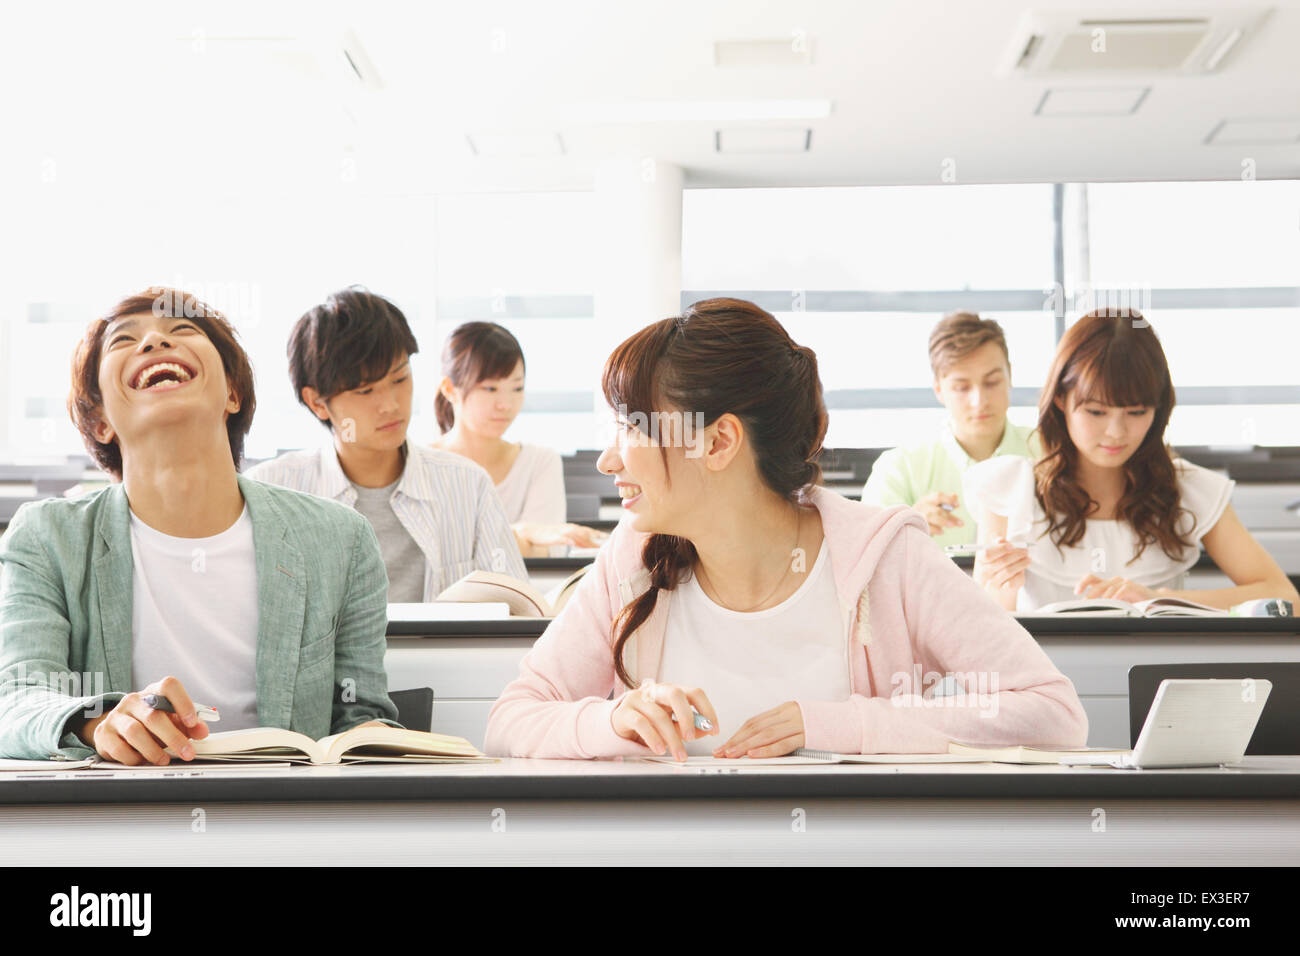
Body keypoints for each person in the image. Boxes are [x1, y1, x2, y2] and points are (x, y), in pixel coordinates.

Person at [484, 298, 1087, 761]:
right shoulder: (632, 561)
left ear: (718, 441)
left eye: (635, 430)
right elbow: (509, 722)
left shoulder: (886, 557)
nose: (609, 460)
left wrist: (843, 725)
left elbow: (1052, 714)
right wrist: (611, 722)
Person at [0, 288, 398, 764]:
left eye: (182, 330)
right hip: (120, 824)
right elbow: (16, 702)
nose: (152, 343)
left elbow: (360, 716)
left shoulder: (341, 539)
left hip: (287, 821)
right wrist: (96, 724)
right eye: (124, 340)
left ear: (232, 392)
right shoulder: (47, 538)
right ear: (100, 419)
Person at [966, 309, 1300, 612]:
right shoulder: (1010, 489)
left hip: (1161, 676)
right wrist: (997, 589)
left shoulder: (1188, 489)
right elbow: (988, 632)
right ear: (1059, 400)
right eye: (1096, 411)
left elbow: (1285, 599)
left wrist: (1159, 599)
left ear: (1158, 411)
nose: (1116, 432)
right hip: (1044, 675)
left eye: (1136, 412)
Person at [246, 289, 526, 600]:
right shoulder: (272, 493)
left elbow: (517, 612)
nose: (390, 405)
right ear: (317, 402)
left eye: (399, 379)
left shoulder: (468, 486)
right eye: (366, 391)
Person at [862, 312, 1038, 546]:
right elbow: (865, 558)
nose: (979, 401)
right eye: (961, 387)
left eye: (992, 382)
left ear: (1010, 376)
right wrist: (904, 529)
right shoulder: (898, 469)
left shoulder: (1051, 452)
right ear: (938, 389)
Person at [431, 320, 604, 557]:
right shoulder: (423, 465)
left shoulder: (539, 462)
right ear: (450, 389)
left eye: (517, 388)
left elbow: (547, 556)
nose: (505, 405)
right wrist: (525, 533)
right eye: (490, 389)